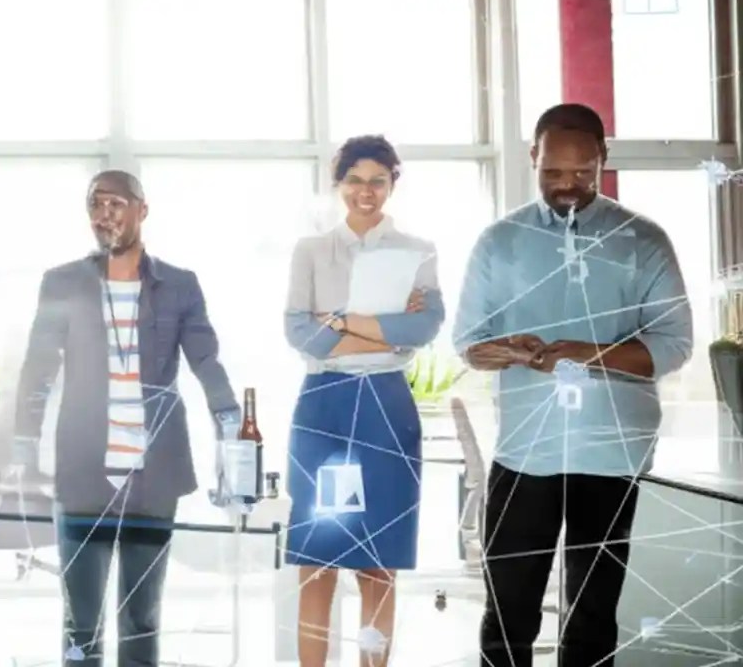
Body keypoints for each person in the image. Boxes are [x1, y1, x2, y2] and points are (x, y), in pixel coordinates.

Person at [452, 103, 693, 667]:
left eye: (583, 173)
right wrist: (512, 349)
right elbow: (468, 341)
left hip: (613, 451)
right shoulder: (499, 241)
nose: (567, 185)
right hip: (524, 450)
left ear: (602, 160)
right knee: (508, 606)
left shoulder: (644, 240)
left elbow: (675, 343)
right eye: (553, 172)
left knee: (592, 611)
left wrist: (592, 352)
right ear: (532, 158)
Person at [11, 169, 241, 667]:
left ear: (143, 209)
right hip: (82, 476)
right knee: (81, 624)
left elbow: (205, 360)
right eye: (96, 204)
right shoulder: (62, 283)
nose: (105, 214)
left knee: (142, 621)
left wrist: (230, 424)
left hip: (153, 478)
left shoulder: (180, 286)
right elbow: (38, 370)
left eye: (117, 203)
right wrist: (23, 446)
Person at [282, 135, 444, 667]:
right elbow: (300, 336)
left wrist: (342, 322)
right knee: (318, 557)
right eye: (355, 180)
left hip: (386, 408)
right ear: (339, 184)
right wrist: (384, 332)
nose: (365, 191)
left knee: (380, 560)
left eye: (378, 180)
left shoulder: (417, 251)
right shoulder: (310, 250)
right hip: (325, 407)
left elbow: (424, 326)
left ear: (393, 183)